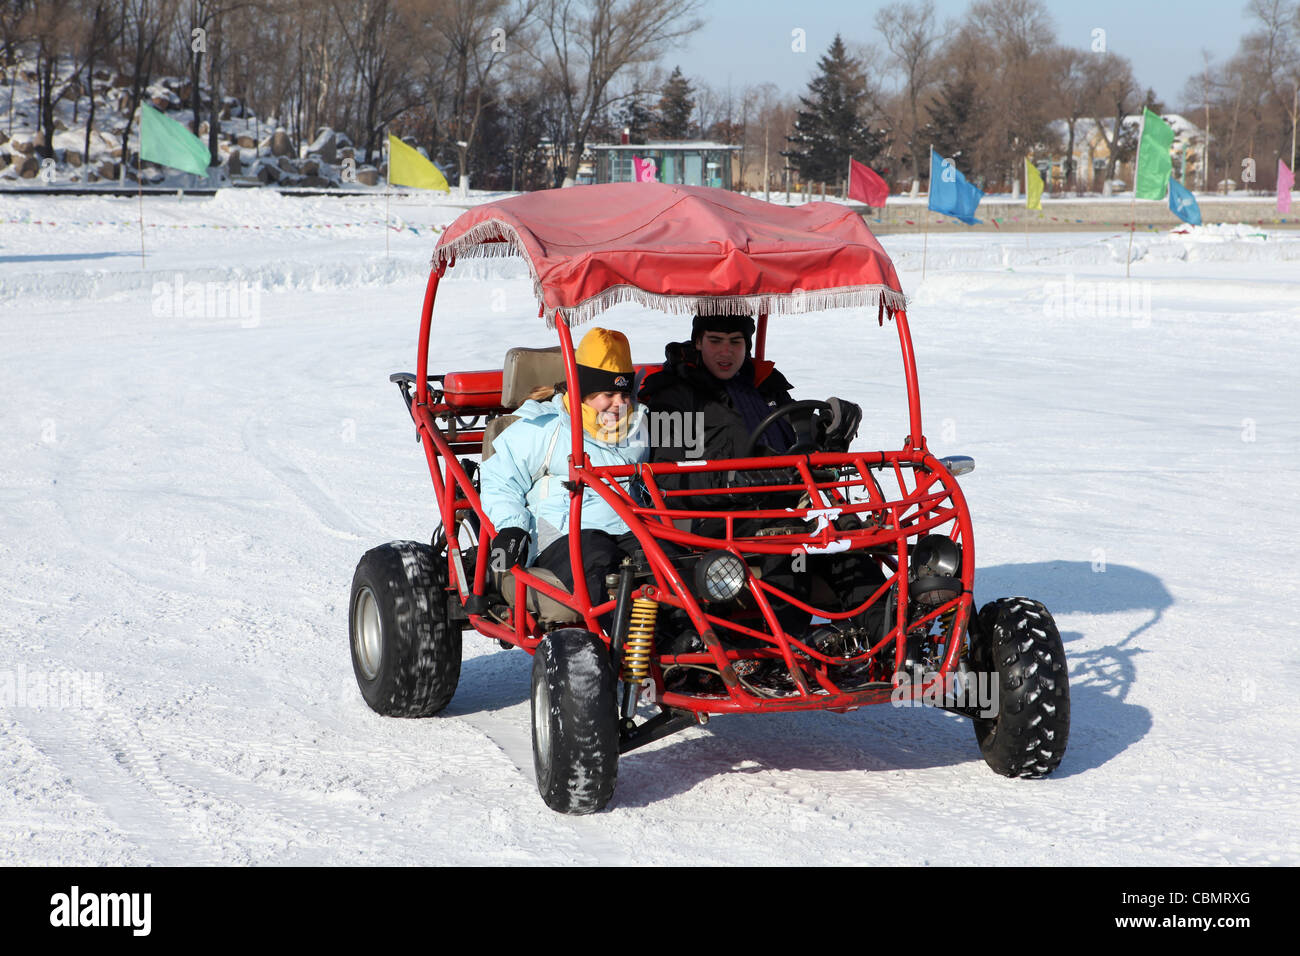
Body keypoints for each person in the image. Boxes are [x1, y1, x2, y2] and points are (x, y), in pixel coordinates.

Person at [638, 312, 882, 646]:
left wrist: (831, 431)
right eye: (715, 341)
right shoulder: (676, 396)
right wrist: (735, 481)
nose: (726, 352)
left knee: (846, 544)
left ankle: (892, 642)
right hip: (714, 518)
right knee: (785, 545)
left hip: (783, 505)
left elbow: (798, 436)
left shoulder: (764, 384)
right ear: (697, 342)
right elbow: (671, 481)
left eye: (736, 343)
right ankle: (784, 652)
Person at [479, 327, 647, 616]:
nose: (619, 404)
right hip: (564, 531)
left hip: (628, 526)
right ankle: (622, 646)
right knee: (598, 567)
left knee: (669, 566)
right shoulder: (545, 427)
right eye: (609, 394)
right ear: (583, 392)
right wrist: (511, 526)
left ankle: (690, 643)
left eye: (624, 394)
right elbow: (500, 480)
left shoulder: (637, 427)